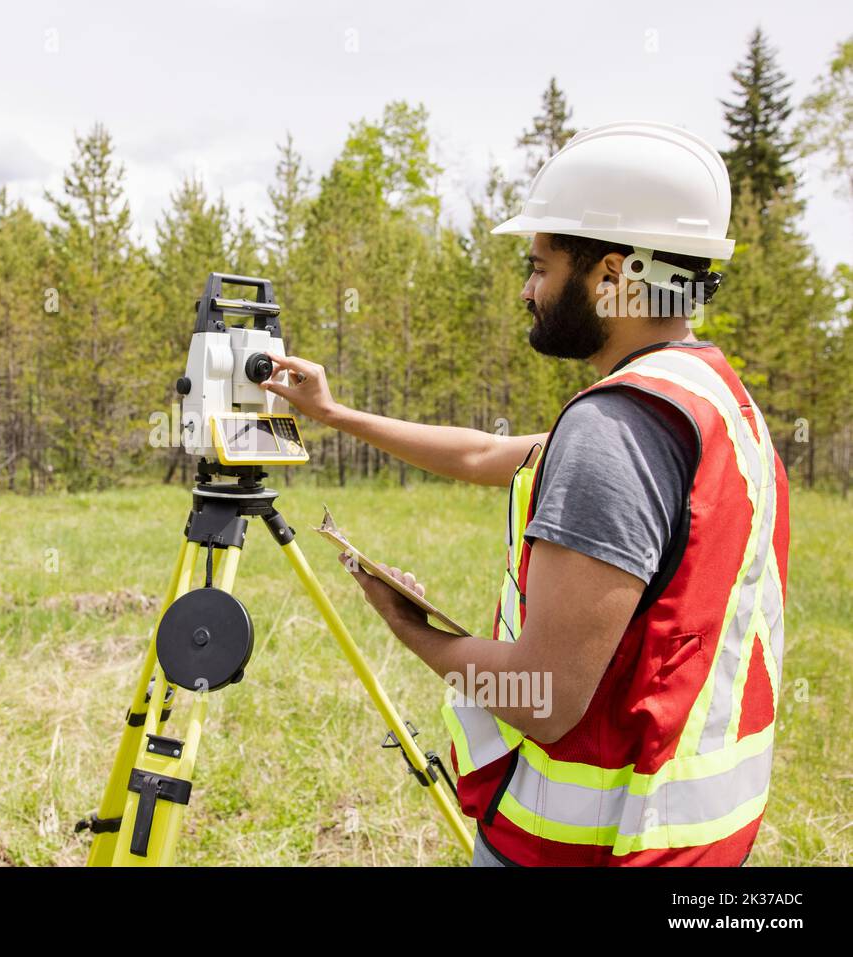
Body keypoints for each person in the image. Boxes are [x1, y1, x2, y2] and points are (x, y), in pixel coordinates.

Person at [260, 122, 789, 867]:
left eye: (539, 266)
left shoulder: (615, 429)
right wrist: (334, 413)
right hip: (692, 837)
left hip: (583, 850)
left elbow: (544, 696)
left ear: (614, 274)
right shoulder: (709, 398)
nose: (527, 290)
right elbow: (484, 452)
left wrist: (410, 626)